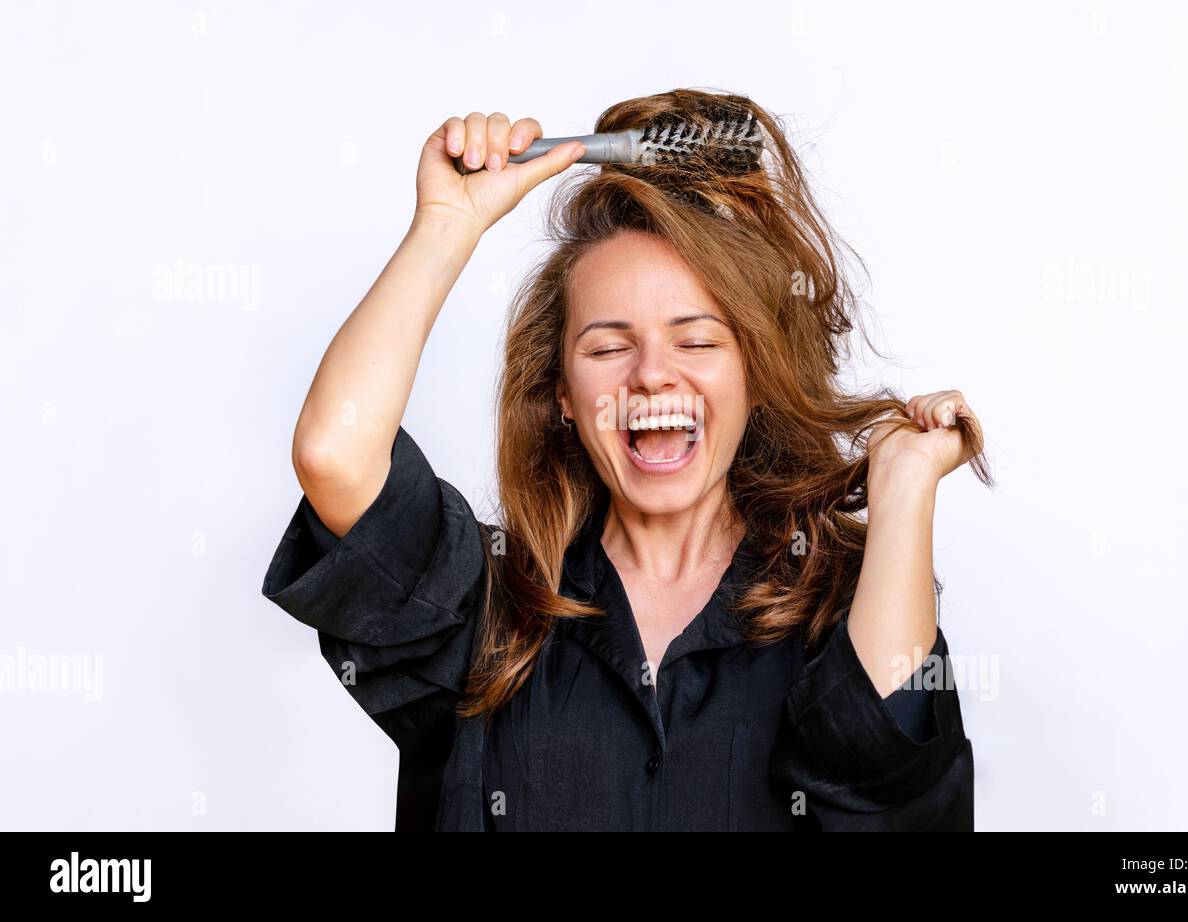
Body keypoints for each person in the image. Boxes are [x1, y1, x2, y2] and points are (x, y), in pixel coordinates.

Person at [262, 89, 990, 831]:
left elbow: (893, 802)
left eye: (697, 341)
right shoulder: (490, 611)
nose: (651, 374)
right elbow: (335, 453)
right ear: (564, 397)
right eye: (608, 347)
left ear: (756, 378)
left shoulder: (839, 607)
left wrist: (901, 491)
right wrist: (446, 226)